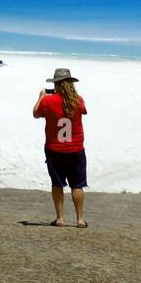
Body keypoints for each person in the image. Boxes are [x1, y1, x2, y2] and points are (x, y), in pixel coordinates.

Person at [33, 68, 88, 228]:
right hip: (76, 149)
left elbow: (36, 113)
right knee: (77, 185)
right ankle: (79, 219)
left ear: (55, 85)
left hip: (54, 149)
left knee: (57, 184)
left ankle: (60, 218)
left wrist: (41, 97)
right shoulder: (78, 100)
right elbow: (83, 111)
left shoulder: (48, 101)